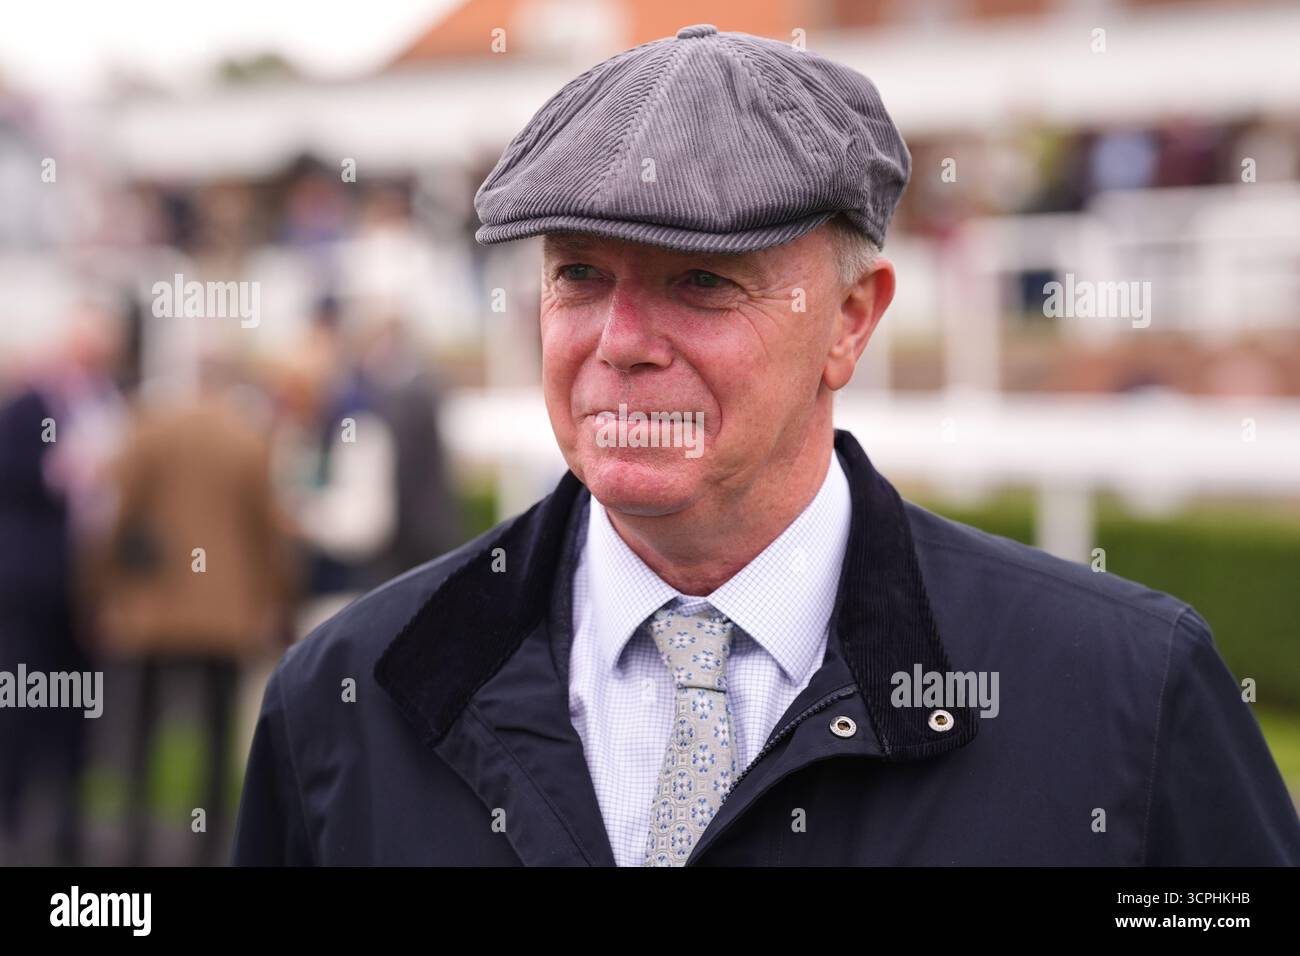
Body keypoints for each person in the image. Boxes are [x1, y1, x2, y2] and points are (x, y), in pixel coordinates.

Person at [233, 24, 1300, 866]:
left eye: (700, 280)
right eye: (579, 276)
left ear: (849, 320)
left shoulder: (1123, 692)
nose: (621, 343)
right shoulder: (346, 694)